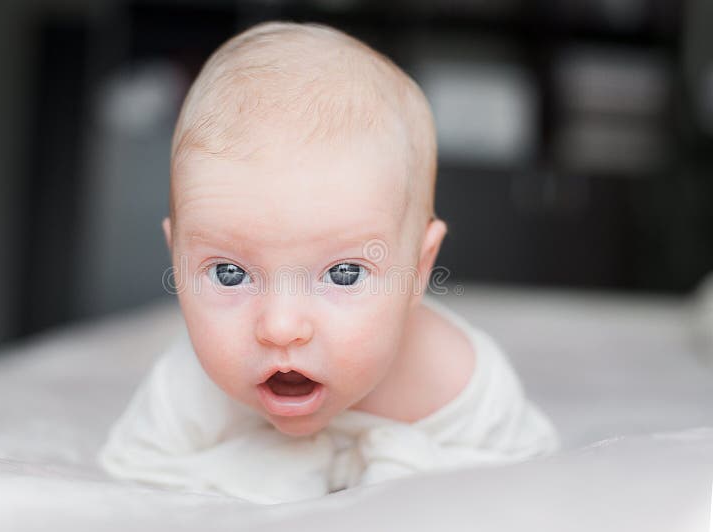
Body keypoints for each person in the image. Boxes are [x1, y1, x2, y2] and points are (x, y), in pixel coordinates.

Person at [98, 20, 559, 504]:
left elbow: (531, 469)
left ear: (418, 270)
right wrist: (262, 467)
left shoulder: (457, 380)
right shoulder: (188, 389)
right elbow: (133, 470)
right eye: (229, 273)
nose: (280, 327)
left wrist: (403, 467)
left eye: (344, 273)